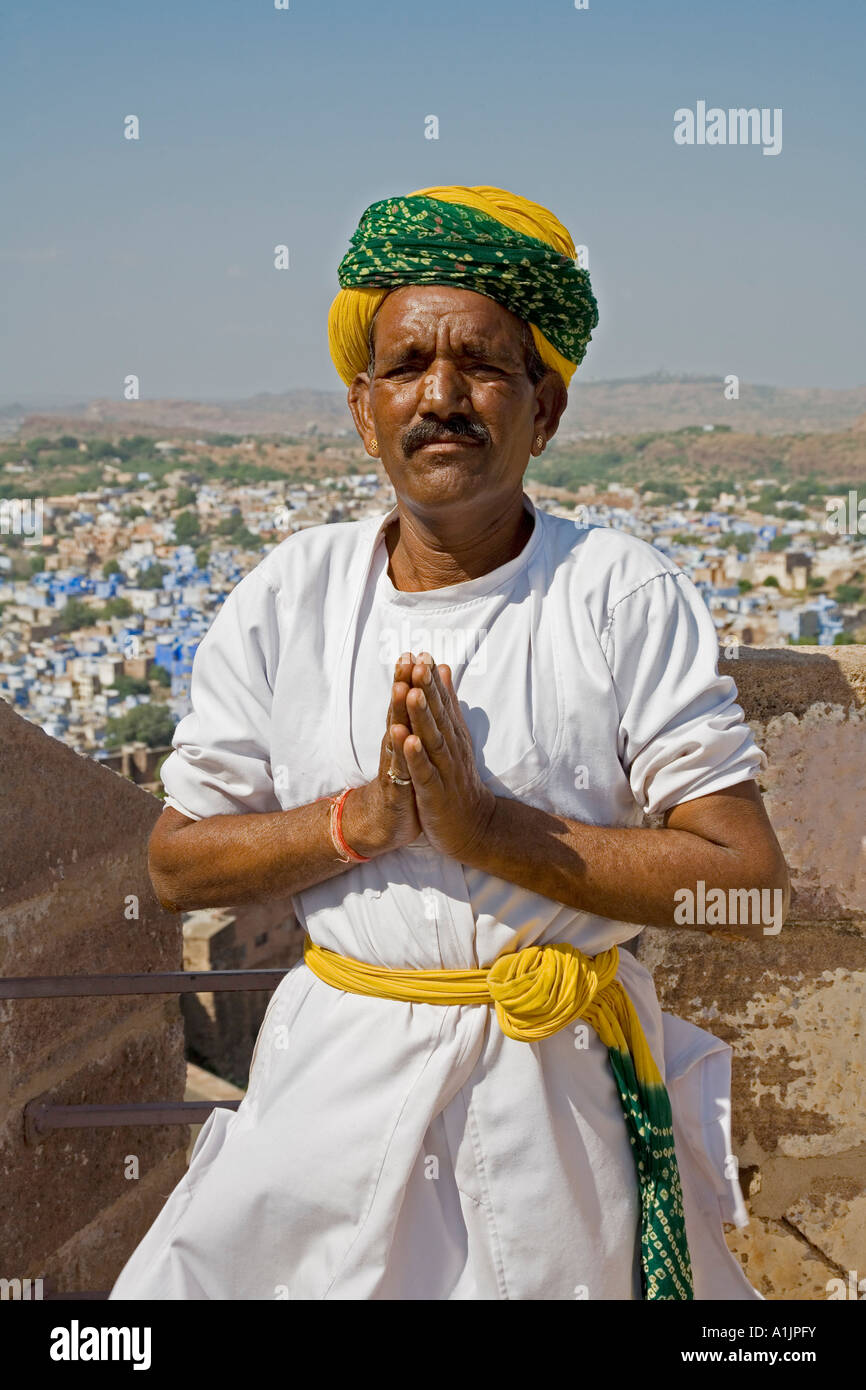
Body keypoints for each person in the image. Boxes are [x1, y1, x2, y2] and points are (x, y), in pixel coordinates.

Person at [109, 184, 789, 1301]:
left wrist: (490, 831)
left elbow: (748, 883)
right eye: (406, 365)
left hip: (554, 1107)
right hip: (329, 1095)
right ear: (361, 406)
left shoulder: (618, 593)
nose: (441, 395)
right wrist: (359, 822)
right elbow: (177, 864)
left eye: (479, 364)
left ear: (546, 405)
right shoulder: (293, 595)